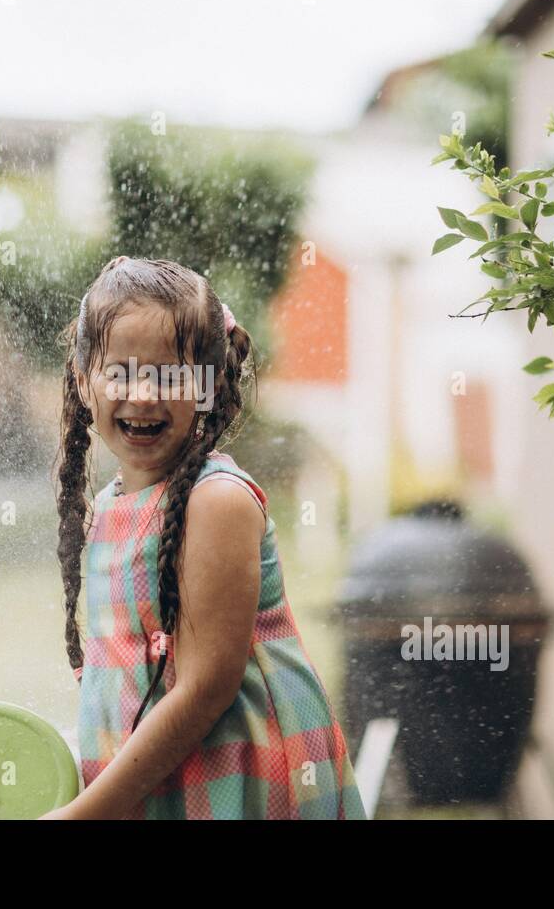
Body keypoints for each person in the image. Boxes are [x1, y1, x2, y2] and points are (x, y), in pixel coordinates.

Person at [46, 255, 365, 819]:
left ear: (209, 385)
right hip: (167, 786)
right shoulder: (107, 508)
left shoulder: (216, 502)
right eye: (120, 371)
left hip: (241, 787)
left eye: (170, 373)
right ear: (81, 379)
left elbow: (204, 692)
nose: (144, 394)